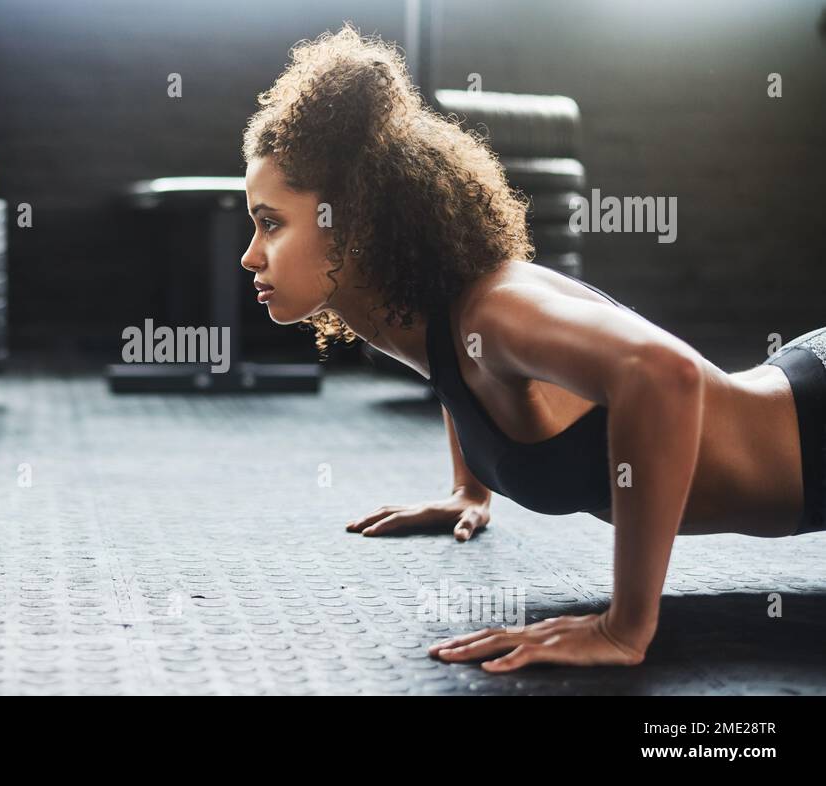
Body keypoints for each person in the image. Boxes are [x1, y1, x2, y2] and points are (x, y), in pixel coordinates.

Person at [239, 23, 822, 672]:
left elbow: (665, 374)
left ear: (353, 222)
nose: (251, 255)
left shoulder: (496, 312)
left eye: (271, 223)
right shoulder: (422, 312)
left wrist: (625, 628)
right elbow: (451, 370)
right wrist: (471, 488)